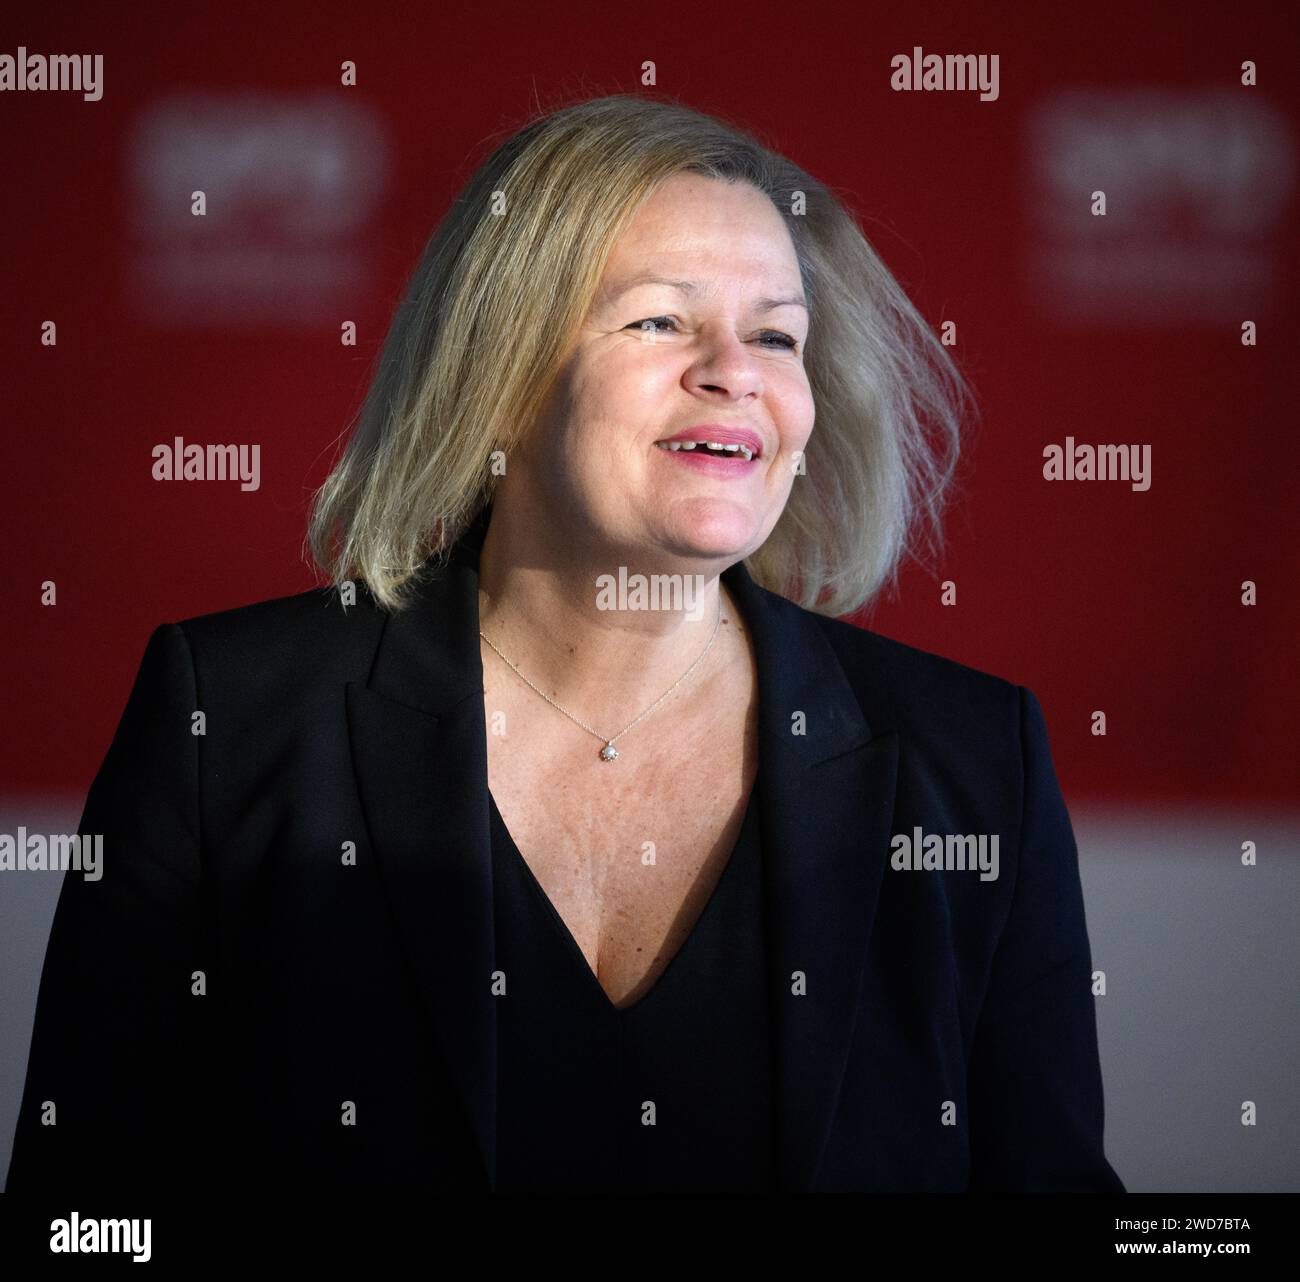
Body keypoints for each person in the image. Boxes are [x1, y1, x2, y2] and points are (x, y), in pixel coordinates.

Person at [7, 93, 1124, 1193]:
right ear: (499, 376)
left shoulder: (973, 759)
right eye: (658, 320)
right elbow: (82, 1222)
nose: (733, 370)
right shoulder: (227, 722)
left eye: (775, 334)